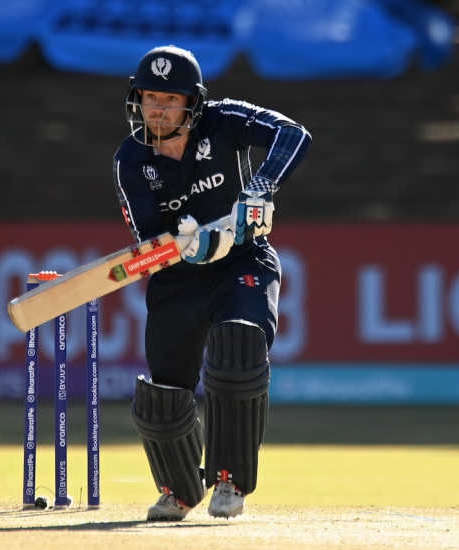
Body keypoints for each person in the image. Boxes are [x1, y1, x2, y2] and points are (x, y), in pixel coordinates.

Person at [113, 45, 311, 521]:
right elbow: (148, 243)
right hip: (178, 280)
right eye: (148, 98)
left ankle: (230, 481)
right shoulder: (129, 161)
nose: (156, 109)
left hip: (243, 263)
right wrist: (188, 246)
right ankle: (178, 491)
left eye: (170, 99)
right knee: (164, 393)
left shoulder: (224, 121)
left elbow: (294, 134)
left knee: (238, 348)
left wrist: (259, 188)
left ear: (192, 103)